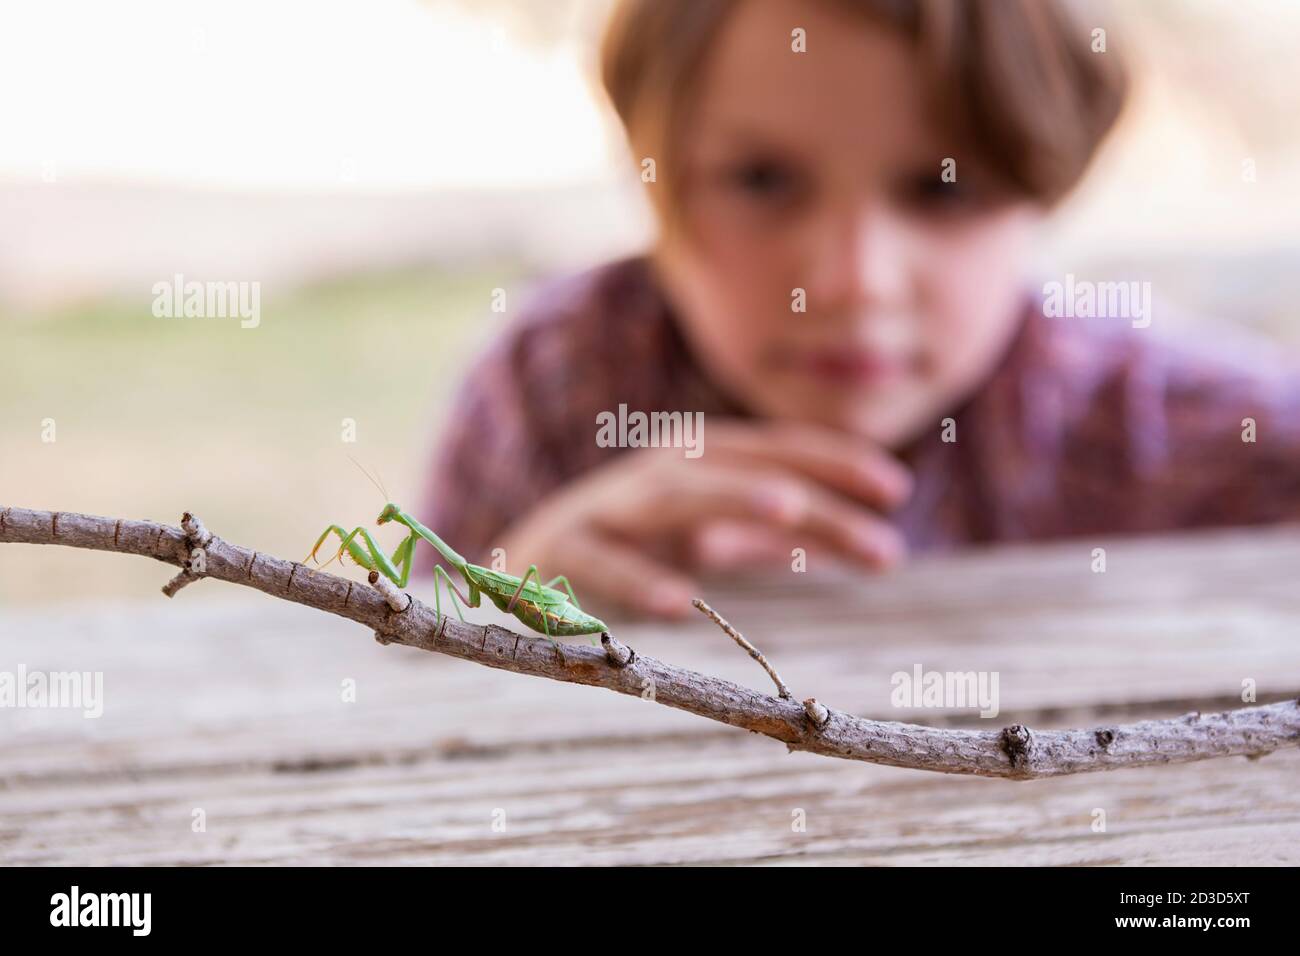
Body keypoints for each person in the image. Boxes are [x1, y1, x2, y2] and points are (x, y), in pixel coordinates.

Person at [416, 0, 1300, 618]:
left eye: (941, 190)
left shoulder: (1200, 438)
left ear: (1045, 181)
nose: (852, 281)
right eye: (762, 181)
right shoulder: (552, 391)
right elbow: (401, 683)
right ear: (652, 169)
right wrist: (493, 604)